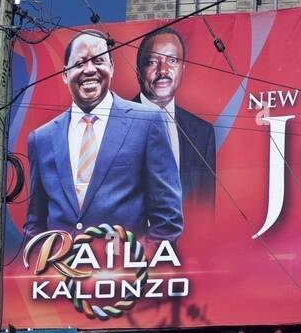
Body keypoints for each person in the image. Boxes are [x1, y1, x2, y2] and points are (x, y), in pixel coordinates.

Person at [23, 29, 182, 244]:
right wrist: (46, 268)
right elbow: (35, 222)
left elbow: (168, 218)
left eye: (98, 61)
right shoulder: (41, 138)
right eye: (79, 63)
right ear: (64, 74)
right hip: (59, 273)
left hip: (125, 273)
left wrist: (137, 267)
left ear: (111, 68)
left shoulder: (147, 121)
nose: (89, 70)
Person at [134, 26, 216, 209]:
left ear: (183, 68)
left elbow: (205, 205)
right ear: (138, 71)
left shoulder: (202, 132)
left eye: (172, 60)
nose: (163, 70)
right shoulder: (112, 124)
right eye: (152, 62)